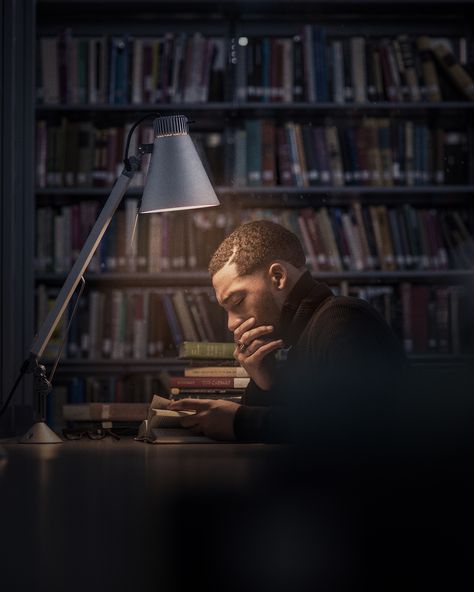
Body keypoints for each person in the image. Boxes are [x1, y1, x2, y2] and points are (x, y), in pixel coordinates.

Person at [169, 219, 408, 443]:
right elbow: (298, 423)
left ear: (278, 276)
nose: (231, 324)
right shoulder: (300, 335)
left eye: (237, 301)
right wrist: (265, 380)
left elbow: (354, 427)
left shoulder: (344, 320)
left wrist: (240, 420)